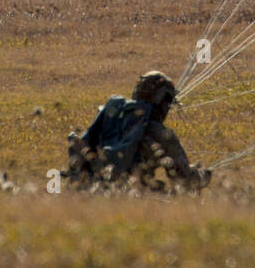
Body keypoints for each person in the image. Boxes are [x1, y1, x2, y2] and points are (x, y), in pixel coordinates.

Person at [65, 71, 211, 191]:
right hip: (128, 196)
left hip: (90, 189)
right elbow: (186, 180)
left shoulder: (114, 117)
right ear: (162, 103)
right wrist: (204, 174)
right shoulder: (158, 132)